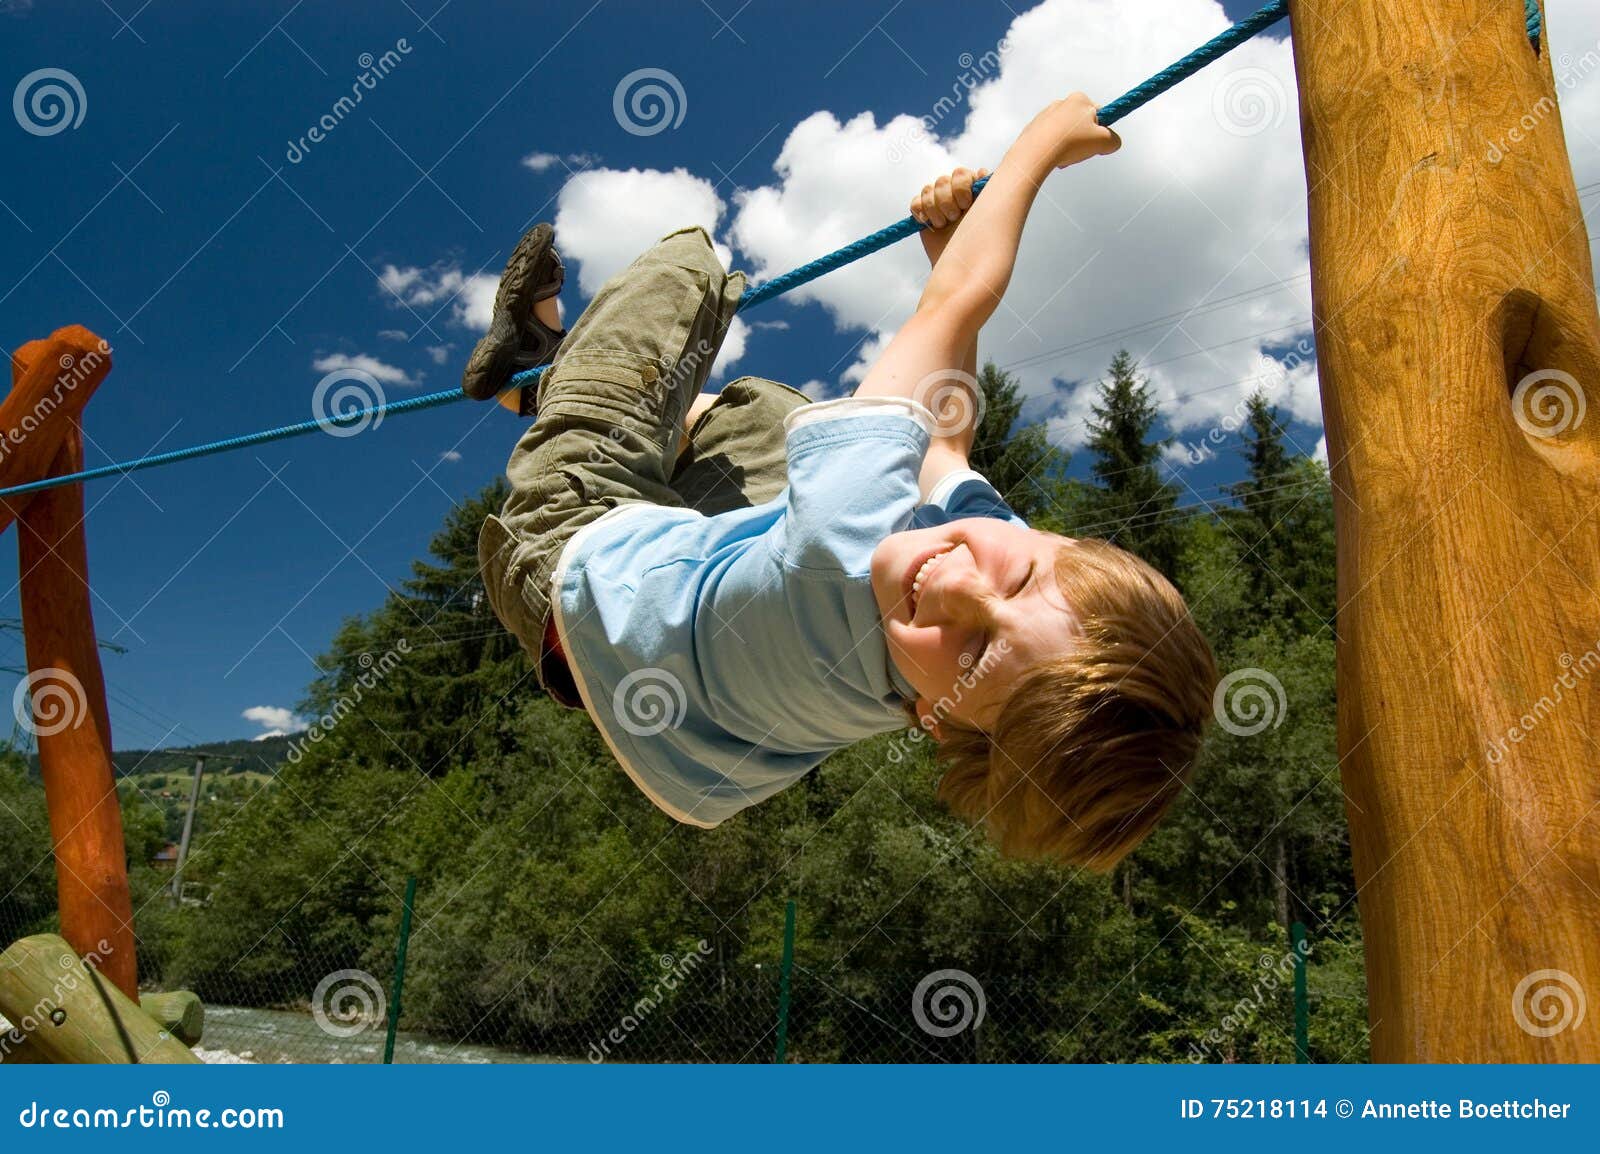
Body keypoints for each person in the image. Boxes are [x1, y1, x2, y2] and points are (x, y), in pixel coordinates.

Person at [465, 92, 1219, 870]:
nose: (957, 589)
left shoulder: (846, 543)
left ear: (938, 721)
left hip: (566, 557)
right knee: (777, 420)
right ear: (1062, 545)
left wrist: (1039, 146)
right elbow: (946, 447)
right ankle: (539, 390)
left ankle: (541, 365)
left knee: (684, 267)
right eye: (1021, 576)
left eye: (975, 654)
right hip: (680, 702)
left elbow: (955, 303)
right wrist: (946, 251)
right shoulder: (942, 646)